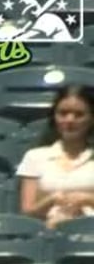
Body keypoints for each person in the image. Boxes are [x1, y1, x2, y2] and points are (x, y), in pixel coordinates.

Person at [17, 83, 94, 228]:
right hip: (49, 231)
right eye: (63, 113)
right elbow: (27, 212)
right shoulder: (35, 157)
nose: (70, 120)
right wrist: (51, 200)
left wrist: (87, 199)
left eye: (79, 115)